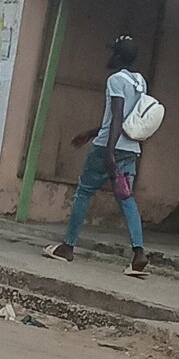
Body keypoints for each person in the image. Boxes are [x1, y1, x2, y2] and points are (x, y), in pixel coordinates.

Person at [44, 34, 149, 276]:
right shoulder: (140, 81)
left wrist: (109, 151)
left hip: (108, 149)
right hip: (131, 148)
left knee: (84, 192)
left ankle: (68, 246)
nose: (110, 56)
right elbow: (127, 119)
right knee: (126, 198)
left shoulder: (115, 80)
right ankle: (138, 253)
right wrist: (91, 132)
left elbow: (118, 114)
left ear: (118, 56)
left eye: (113, 52)